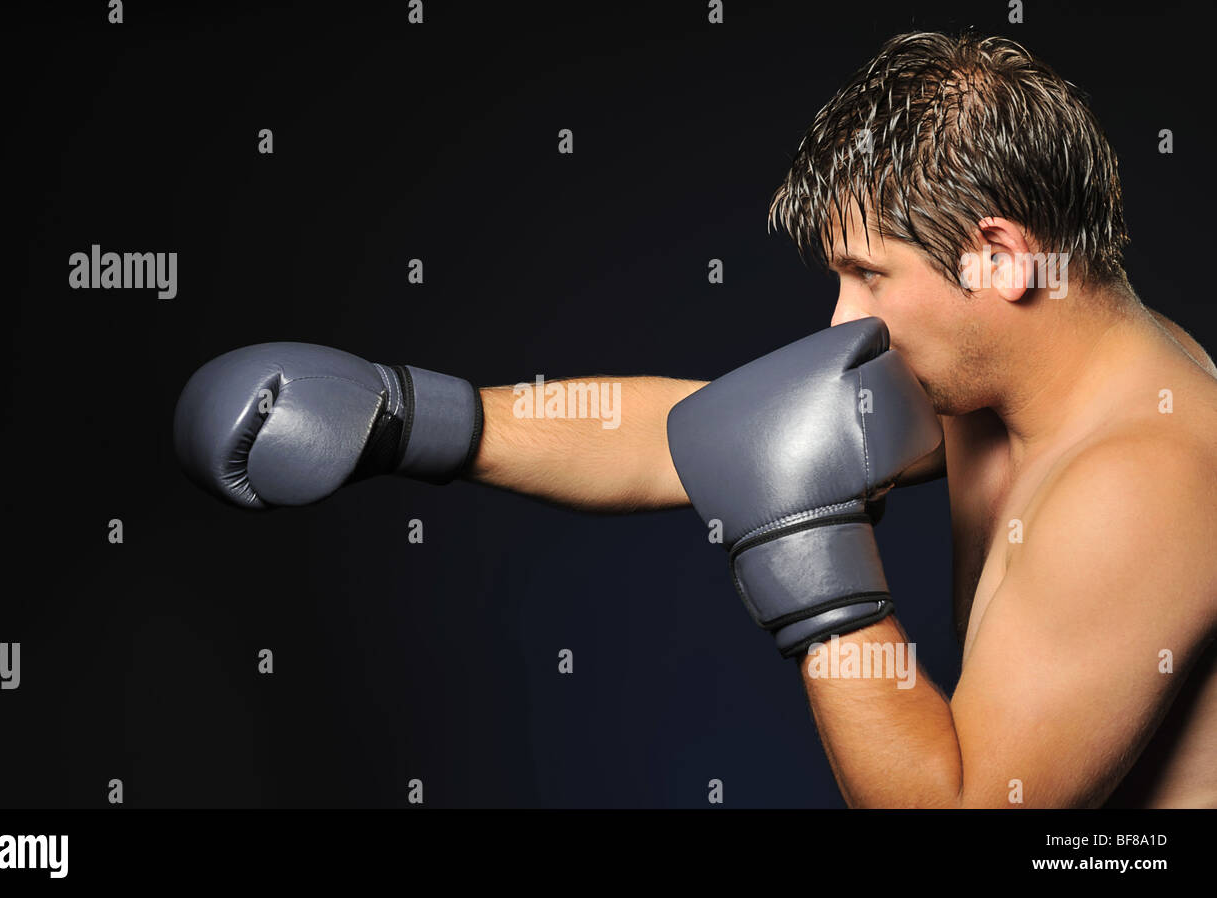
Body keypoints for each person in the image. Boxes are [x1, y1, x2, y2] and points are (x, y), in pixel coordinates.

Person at [174, 31, 1217, 808]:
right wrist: (413, 417)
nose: (840, 320)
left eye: (866, 274)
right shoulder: (1017, 372)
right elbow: (709, 433)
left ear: (996, 254)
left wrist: (824, 589)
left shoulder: (1143, 473)